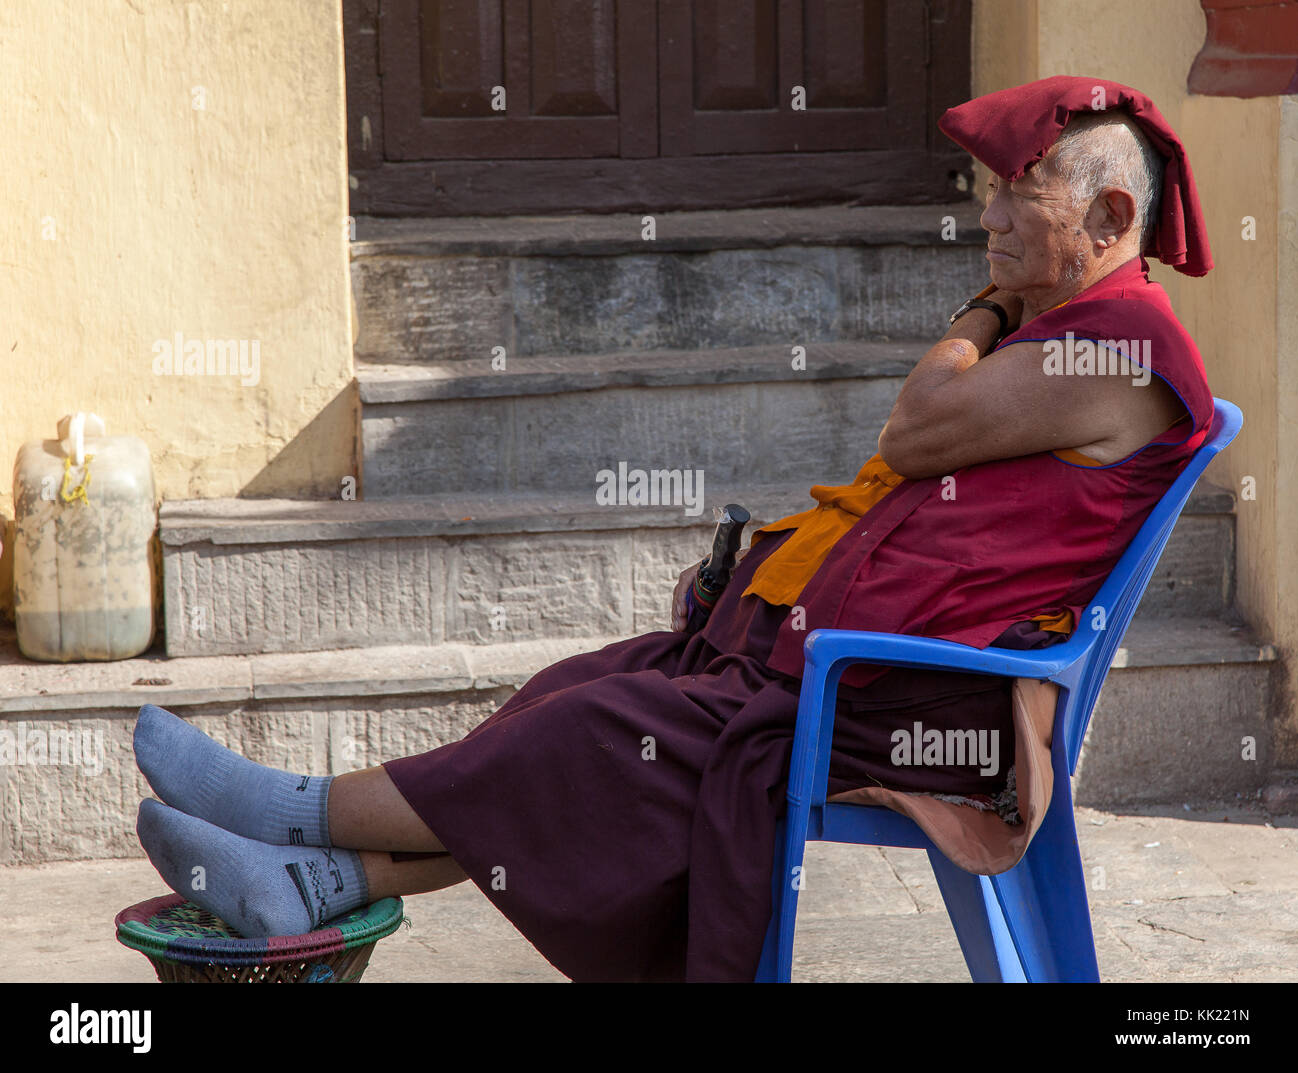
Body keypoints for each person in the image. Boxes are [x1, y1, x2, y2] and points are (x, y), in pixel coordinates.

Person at [133, 76, 1215, 982]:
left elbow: (918, 424)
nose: (988, 219)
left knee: (591, 737)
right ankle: (314, 884)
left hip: (903, 700)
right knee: (571, 695)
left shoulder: (1116, 352)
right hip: (848, 672)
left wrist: (980, 309)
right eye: (988, 194)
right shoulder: (1071, 330)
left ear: (1111, 219)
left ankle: (292, 814)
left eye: (1017, 196)